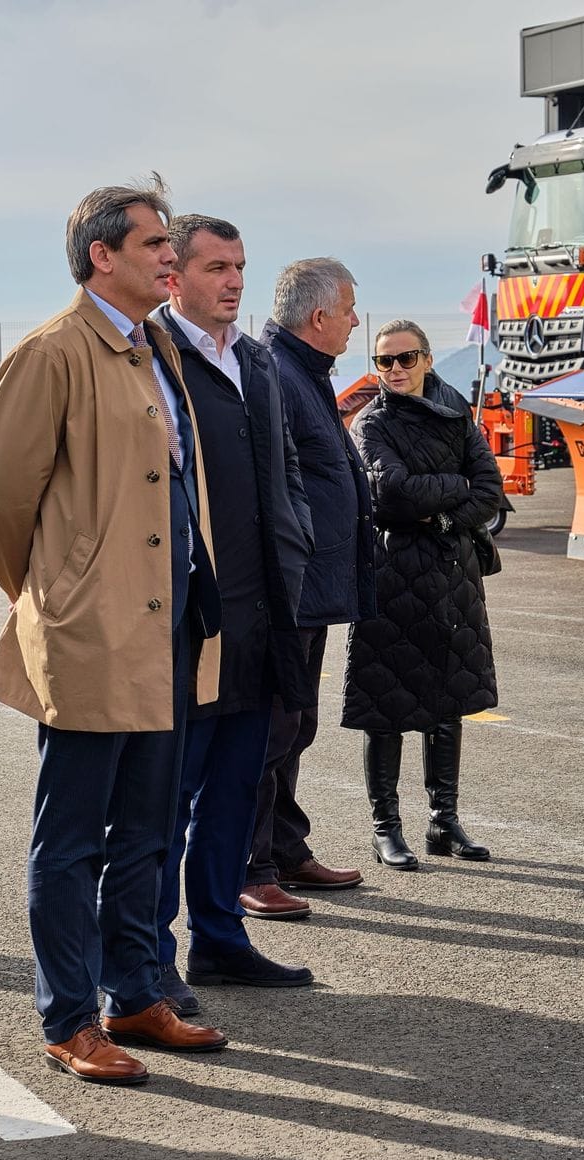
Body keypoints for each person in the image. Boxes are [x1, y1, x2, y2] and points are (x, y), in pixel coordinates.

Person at [0, 180, 228, 1089]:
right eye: (156, 243)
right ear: (103, 255)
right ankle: (68, 1018)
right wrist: (59, 594)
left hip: (167, 625)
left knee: (148, 830)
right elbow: (5, 504)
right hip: (92, 630)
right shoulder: (51, 354)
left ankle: (135, 993)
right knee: (73, 837)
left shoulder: (155, 345)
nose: (171, 256)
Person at [149, 214, 318, 1005]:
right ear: (173, 275)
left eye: (240, 266)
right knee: (164, 804)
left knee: (233, 793)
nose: (234, 281)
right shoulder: (151, 356)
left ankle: (220, 940)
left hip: (261, 616)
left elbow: (286, 470)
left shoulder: (254, 360)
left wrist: (296, 547)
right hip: (190, 626)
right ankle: (149, 960)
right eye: (216, 267)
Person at [342, 321, 504, 870]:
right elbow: (391, 493)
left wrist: (443, 513)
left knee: (447, 702)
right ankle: (385, 828)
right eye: (384, 361)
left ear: (427, 360)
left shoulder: (456, 412)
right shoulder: (371, 422)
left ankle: (444, 821)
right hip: (392, 574)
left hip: (454, 576)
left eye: (405, 358)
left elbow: (490, 491)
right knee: (385, 705)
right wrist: (455, 487)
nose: (395, 369)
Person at [243, 259, 373, 890]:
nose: (355, 321)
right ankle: (253, 866)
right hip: (289, 590)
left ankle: (285, 849)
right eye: (348, 310)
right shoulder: (275, 372)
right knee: (271, 731)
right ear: (319, 317)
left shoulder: (305, 371)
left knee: (296, 725)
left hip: (312, 588)